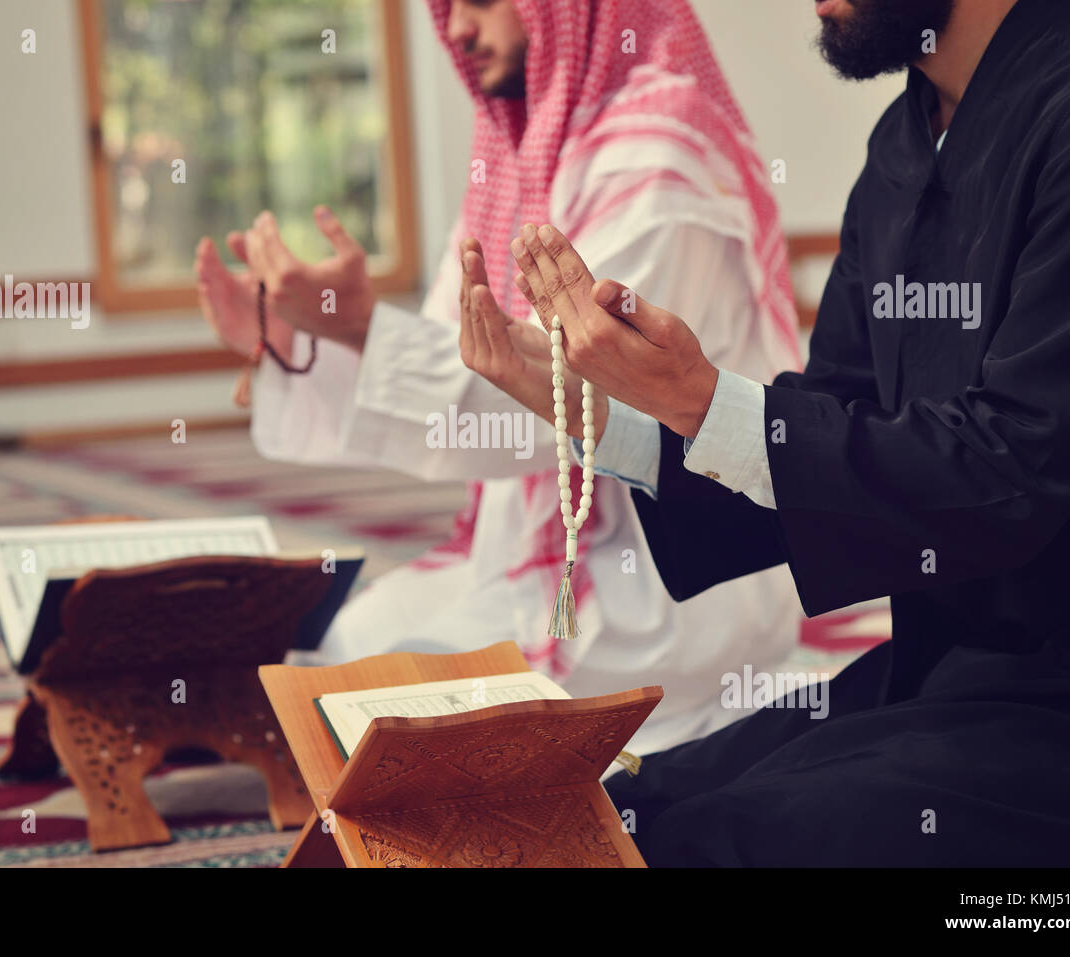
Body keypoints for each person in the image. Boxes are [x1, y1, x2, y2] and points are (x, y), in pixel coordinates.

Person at [462, 0, 1070, 864]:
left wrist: (703, 401)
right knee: (618, 801)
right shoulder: (902, 145)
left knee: (707, 839)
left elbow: (1015, 468)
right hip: (946, 666)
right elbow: (835, 430)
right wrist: (595, 411)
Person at [195, 0, 805, 758]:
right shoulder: (524, 148)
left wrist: (354, 326)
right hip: (531, 556)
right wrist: (293, 338)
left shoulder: (658, 155)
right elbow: (458, 352)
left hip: (662, 580)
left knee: (379, 705)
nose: (456, 30)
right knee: (331, 649)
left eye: (481, 1)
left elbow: (557, 399)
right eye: (446, 8)